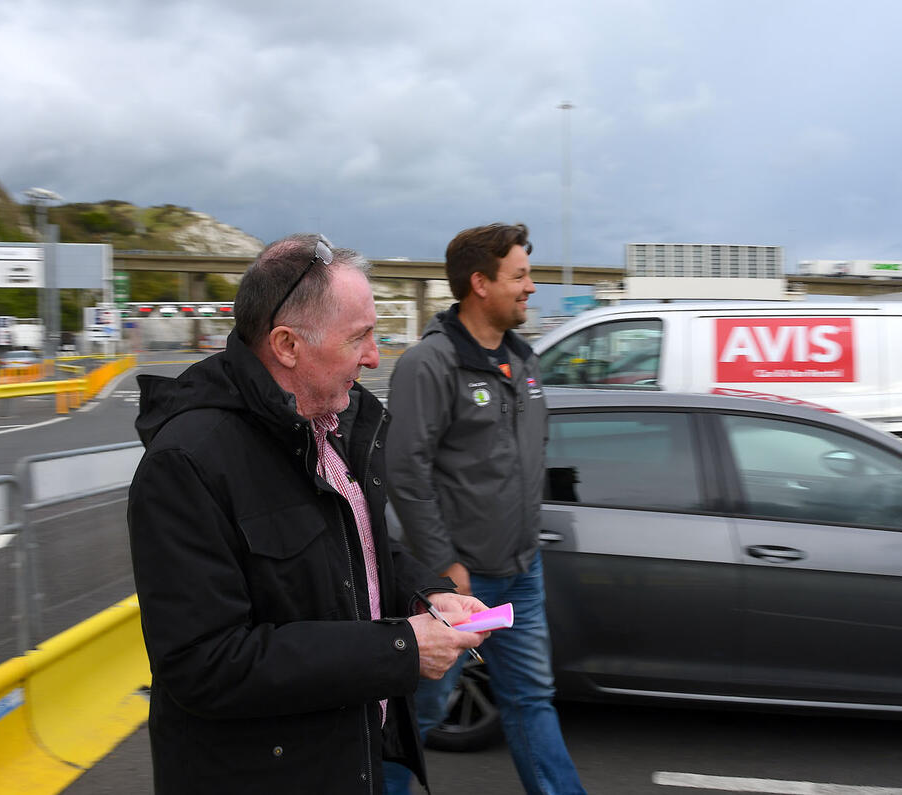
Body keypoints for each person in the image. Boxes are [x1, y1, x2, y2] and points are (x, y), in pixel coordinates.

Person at [127, 233, 488, 794]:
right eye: (359, 337)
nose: (374, 356)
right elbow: (206, 665)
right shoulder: (188, 461)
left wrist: (425, 595)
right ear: (287, 345)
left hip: (346, 760)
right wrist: (400, 648)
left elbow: (358, 545)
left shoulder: (335, 423)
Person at [383, 223, 586, 794]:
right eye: (519, 276)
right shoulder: (430, 364)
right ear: (480, 283)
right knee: (422, 710)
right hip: (458, 584)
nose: (531, 288)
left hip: (521, 572)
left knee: (532, 699)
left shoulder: (523, 361)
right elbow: (405, 471)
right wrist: (443, 565)